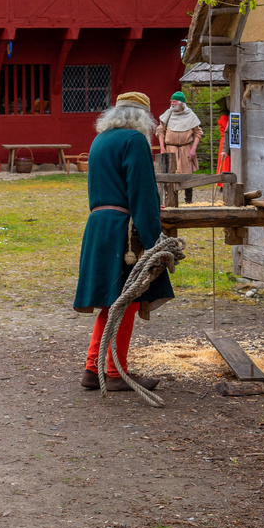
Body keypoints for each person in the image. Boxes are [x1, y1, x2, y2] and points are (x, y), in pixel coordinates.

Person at [73, 90, 172, 391]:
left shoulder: (99, 141)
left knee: (113, 300)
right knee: (126, 300)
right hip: (122, 229)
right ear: (143, 118)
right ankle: (115, 371)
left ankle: (93, 367)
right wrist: (154, 242)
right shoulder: (135, 141)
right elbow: (140, 192)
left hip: (99, 224)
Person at [158, 91, 203, 202]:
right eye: (171, 101)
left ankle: (188, 202)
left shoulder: (190, 115)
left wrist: (193, 150)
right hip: (170, 149)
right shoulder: (168, 115)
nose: (172, 103)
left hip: (186, 149)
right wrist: (162, 148)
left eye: (174, 101)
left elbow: (198, 133)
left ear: (181, 103)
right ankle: (172, 202)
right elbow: (160, 131)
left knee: (187, 176)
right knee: (171, 175)